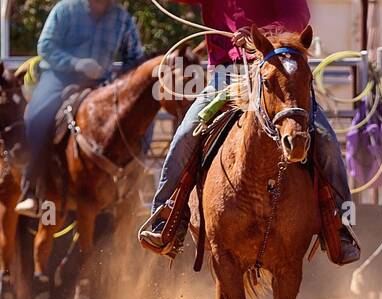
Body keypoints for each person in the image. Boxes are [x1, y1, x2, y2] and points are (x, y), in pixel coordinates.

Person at [137, 0, 360, 264]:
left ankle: (340, 226)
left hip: (274, 74)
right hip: (225, 76)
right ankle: (165, 219)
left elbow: (297, 15)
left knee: (325, 139)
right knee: (185, 135)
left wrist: (262, 34)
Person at [15, 0, 144, 217]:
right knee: (37, 118)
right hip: (58, 78)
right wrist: (76, 63)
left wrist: (122, 83)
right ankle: (31, 190)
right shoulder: (66, 9)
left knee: (136, 123)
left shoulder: (122, 18)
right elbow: (45, 45)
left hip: (101, 84)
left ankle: (132, 192)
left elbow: (135, 58)